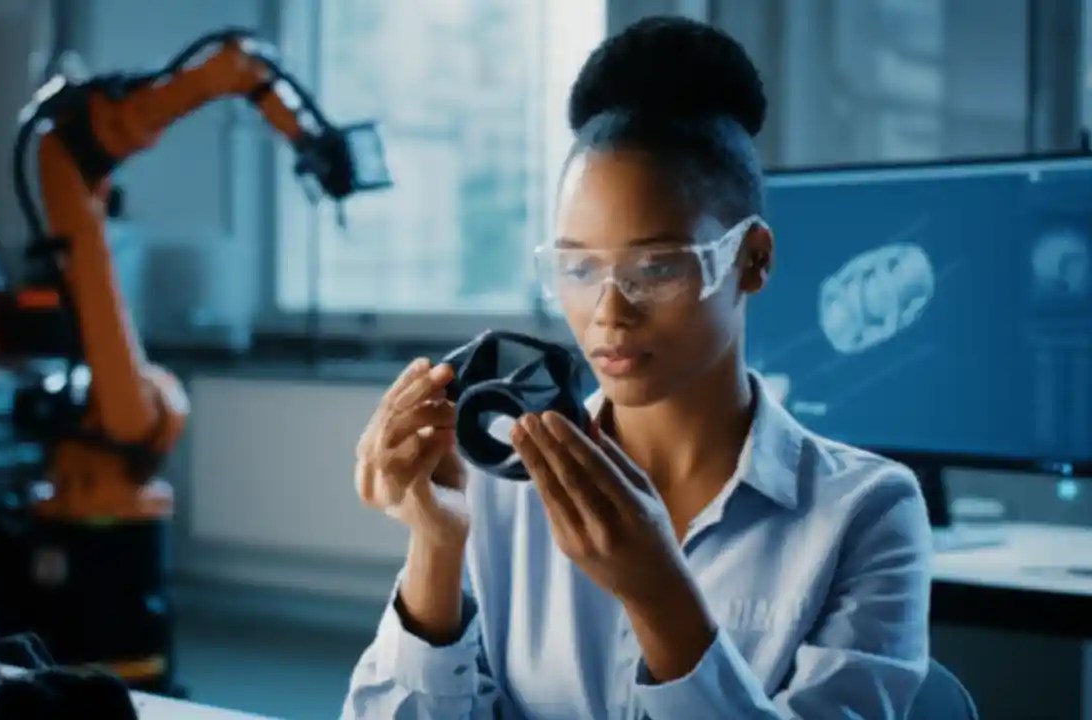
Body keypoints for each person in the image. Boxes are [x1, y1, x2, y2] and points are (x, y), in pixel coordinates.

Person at [343, 16, 932, 719]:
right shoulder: (502, 489)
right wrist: (436, 548)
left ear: (753, 259)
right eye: (580, 267)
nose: (608, 312)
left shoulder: (867, 514)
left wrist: (660, 597)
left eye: (656, 267)